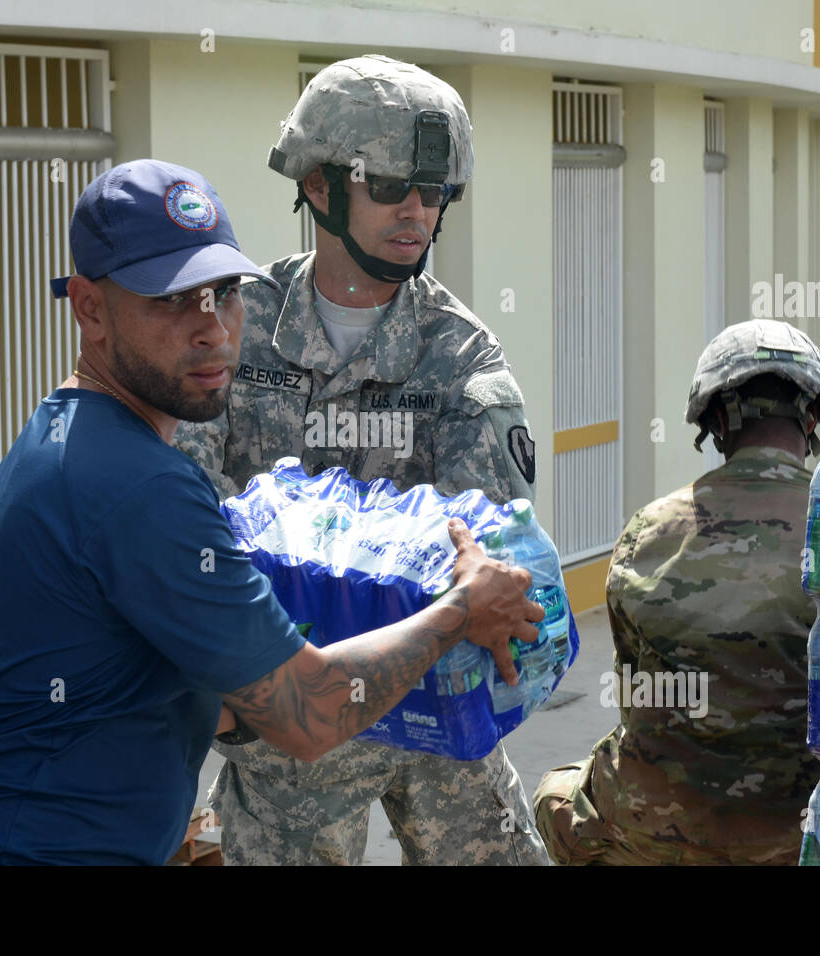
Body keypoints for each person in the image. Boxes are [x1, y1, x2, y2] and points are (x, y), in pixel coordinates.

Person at [0, 159, 542, 866]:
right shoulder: (138, 485)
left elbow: (199, 695)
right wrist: (461, 611)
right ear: (89, 309)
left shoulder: (68, 439)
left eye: (224, 293)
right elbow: (310, 712)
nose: (212, 329)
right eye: (171, 300)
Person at [173, 55, 549, 866]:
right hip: (286, 721)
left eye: (435, 191)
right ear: (319, 186)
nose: (416, 210)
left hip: (431, 709)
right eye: (390, 187)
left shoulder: (462, 358)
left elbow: (492, 561)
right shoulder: (235, 324)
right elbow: (188, 515)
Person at [531, 319, 820, 865]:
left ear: (717, 421)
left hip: (655, 836)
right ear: (813, 417)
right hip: (807, 838)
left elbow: (637, 694)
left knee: (551, 794)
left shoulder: (648, 530)